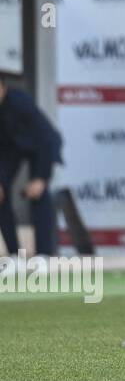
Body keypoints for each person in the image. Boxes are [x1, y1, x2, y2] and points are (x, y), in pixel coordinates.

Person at [0, 74, 62, 258]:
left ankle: (43, 255)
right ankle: (13, 256)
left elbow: (45, 139)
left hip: (39, 147)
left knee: (39, 193)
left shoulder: (21, 103)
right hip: (9, 152)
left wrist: (41, 177)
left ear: (3, 88)